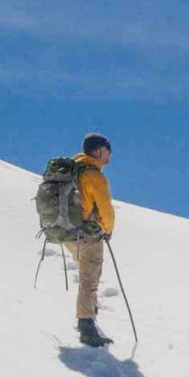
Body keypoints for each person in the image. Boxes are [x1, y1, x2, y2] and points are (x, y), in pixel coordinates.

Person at [65, 133, 115, 347]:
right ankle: (86, 325)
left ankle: (89, 312)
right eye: (107, 149)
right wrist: (108, 230)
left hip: (67, 233)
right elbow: (105, 209)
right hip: (87, 234)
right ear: (98, 150)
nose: (110, 153)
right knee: (90, 278)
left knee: (87, 274)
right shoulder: (93, 175)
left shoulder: (71, 169)